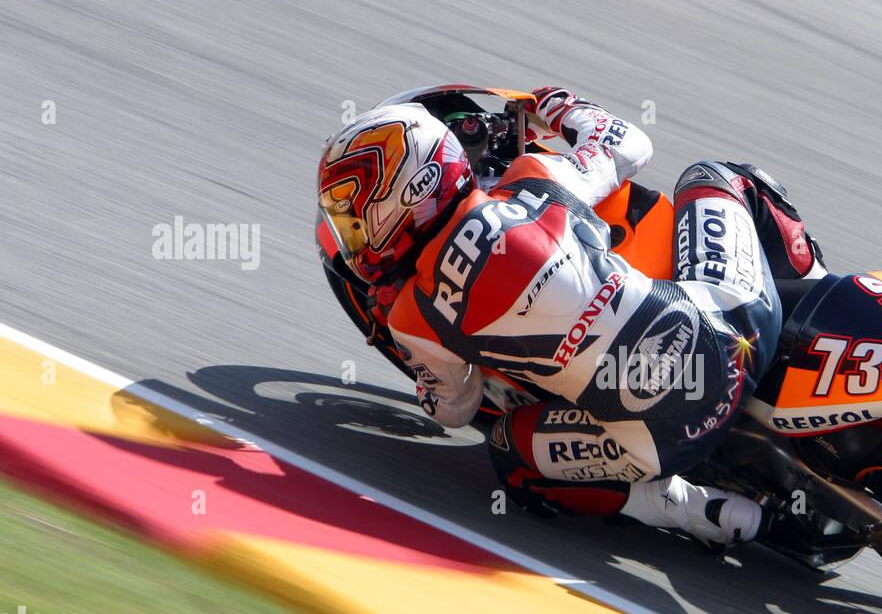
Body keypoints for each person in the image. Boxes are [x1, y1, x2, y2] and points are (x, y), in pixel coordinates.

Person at [316, 87, 825, 545]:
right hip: (739, 335)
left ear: (412, 187)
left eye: (356, 212)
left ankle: (694, 509)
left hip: (665, 442)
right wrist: (558, 108)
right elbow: (629, 146)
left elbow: (455, 411)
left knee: (510, 458)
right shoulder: (533, 181)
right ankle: (819, 296)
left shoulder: (411, 314)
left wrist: (427, 379)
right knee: (715, 177)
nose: (355, 230)